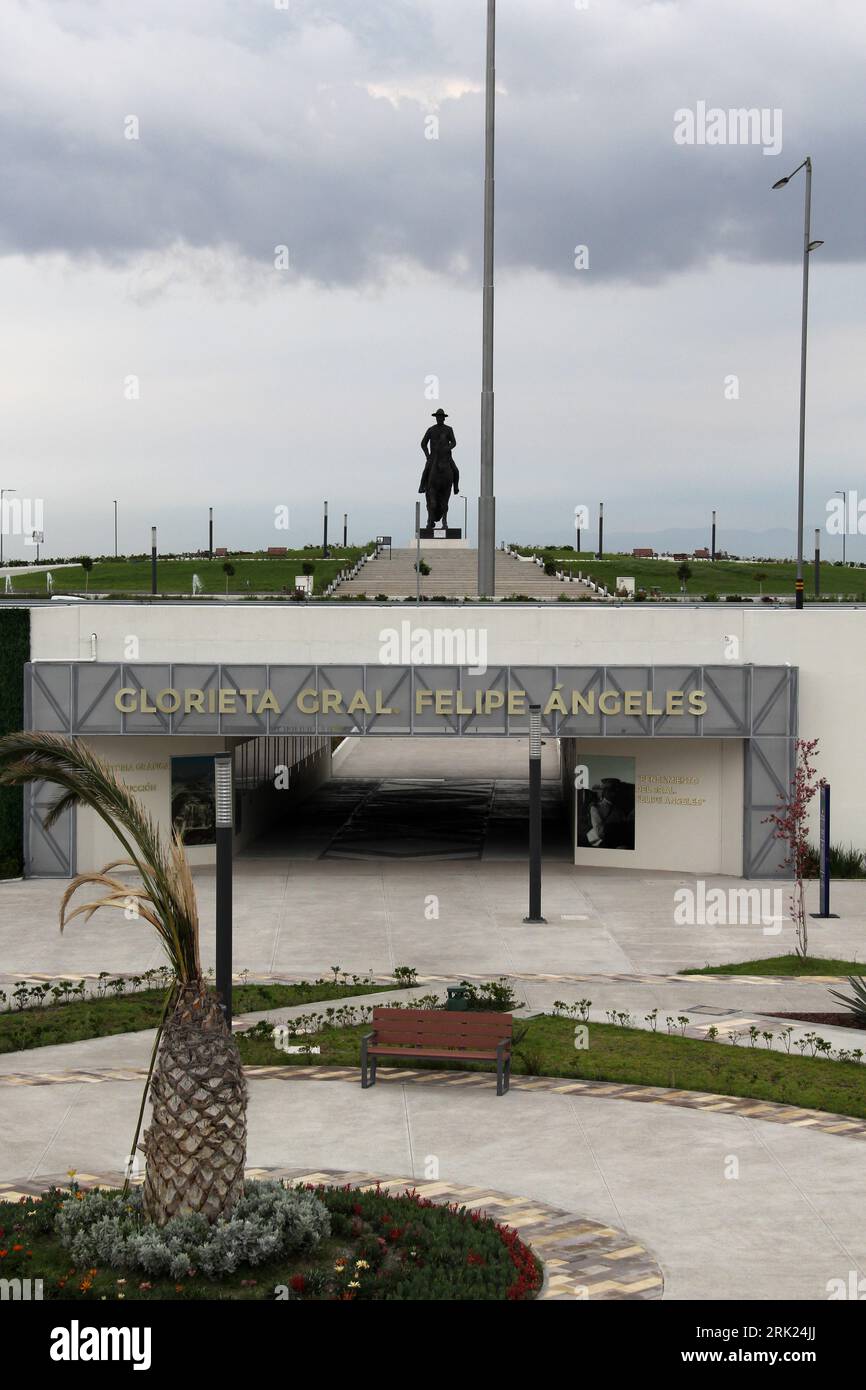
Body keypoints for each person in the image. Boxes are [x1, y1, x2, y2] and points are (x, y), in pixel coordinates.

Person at [419, 409, 459, 528]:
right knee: (426, 470)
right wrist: (428, 456)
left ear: (444, 418)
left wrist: (448, 448)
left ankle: (456, 487)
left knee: (456, 470)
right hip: (434, 457)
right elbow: (423, 444)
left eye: (441, 417)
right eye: (438, 417)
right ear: (436, 418)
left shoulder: (448, 429)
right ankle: (422, 485)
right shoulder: (431, 430)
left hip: (446, 457)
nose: (439, 418)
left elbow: (454, 442)